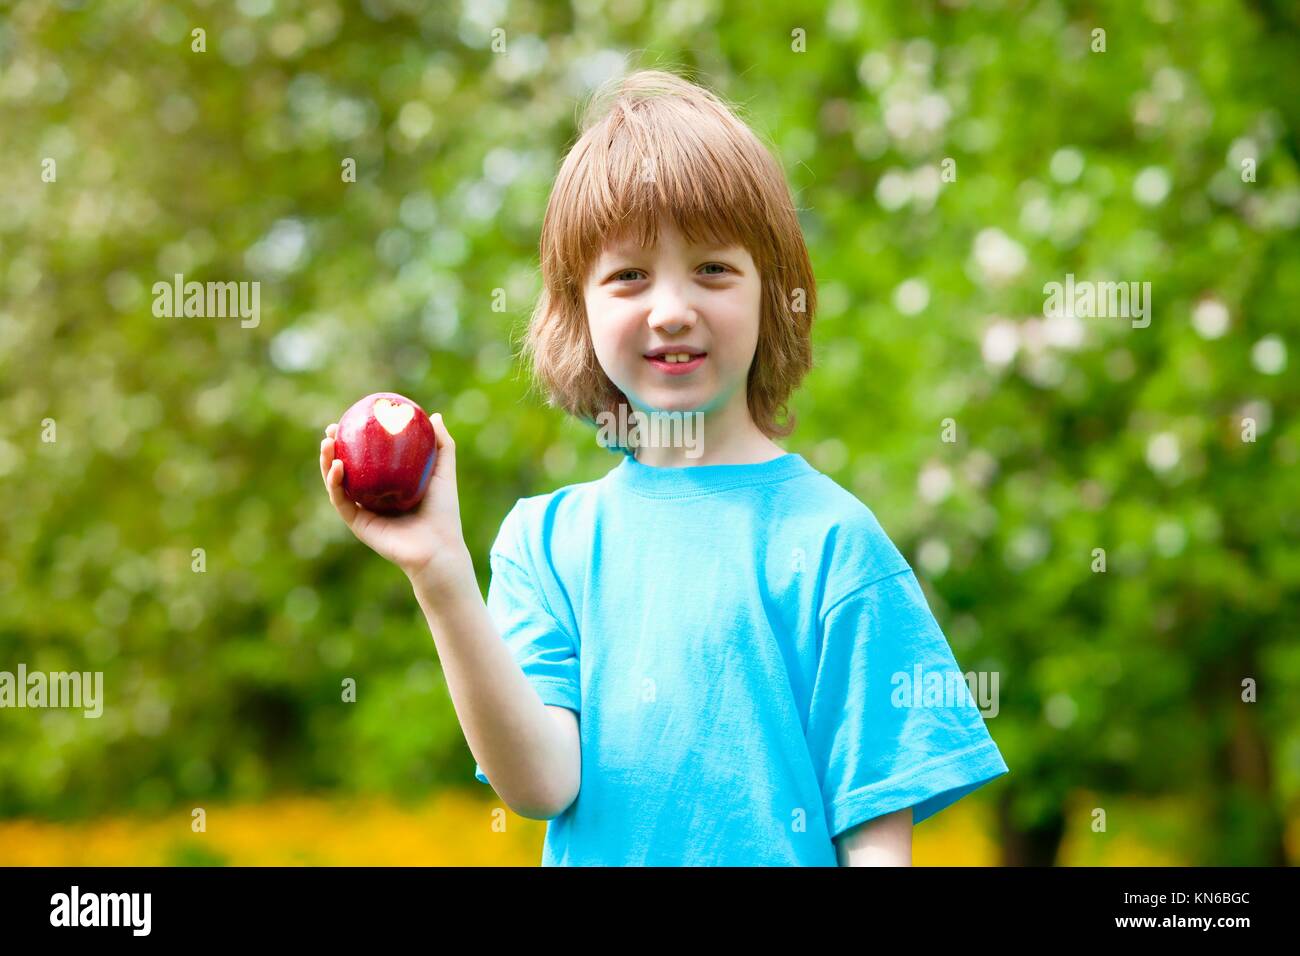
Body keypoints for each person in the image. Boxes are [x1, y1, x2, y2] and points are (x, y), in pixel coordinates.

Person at [319, 69, 1008, 866]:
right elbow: (541, 784)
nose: (672, 307)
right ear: (578, 309)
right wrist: (441, 572)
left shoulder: (834, 543)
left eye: (713, 269)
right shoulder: (546, 543)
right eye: (629, 276)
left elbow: (878, 842)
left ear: (771, 296)